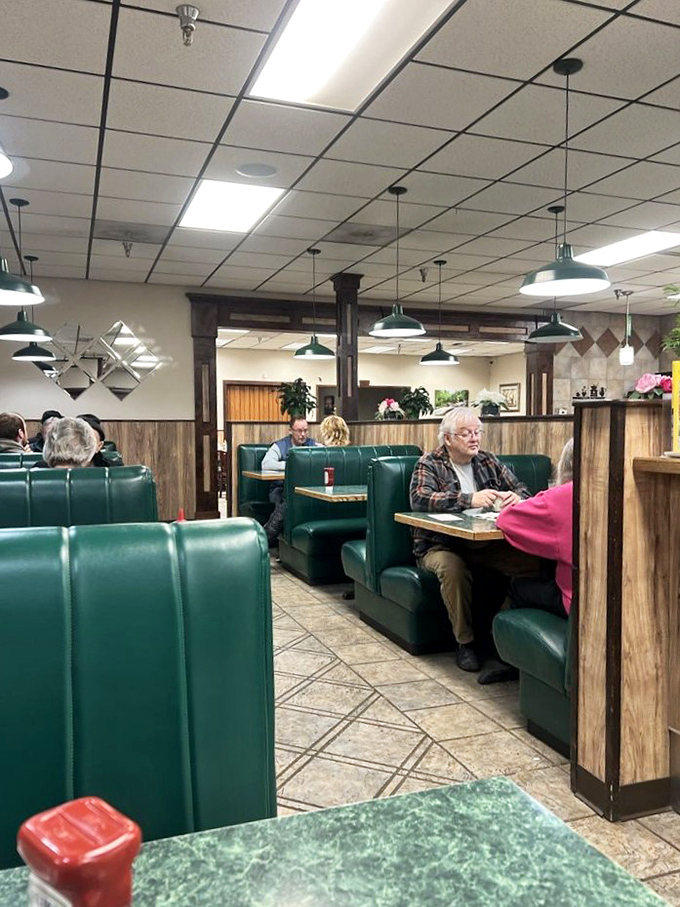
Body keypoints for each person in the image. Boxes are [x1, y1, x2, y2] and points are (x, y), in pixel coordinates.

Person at [409, 407, 539, 673]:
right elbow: (420, 498)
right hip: (439, 545)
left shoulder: (487, 460)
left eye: (477, 432)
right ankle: (465, 642)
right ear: (448, 438)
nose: (474, 438)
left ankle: (499, 635)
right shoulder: (429, 463)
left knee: (531, 563)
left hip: (485, 543)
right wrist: (469, 499)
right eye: (466, 433)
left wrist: (517, 497)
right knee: (453, 570)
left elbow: (522, 488)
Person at [496, 439, 574, 618]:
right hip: (622, 601)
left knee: (517, 586)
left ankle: (500, 635)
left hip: (574, 602)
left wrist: (511, 502)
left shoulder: (562, 495)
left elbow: (506, 519)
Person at [261, 416, 320, 545]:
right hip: (280, 489)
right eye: (299, 430)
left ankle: (264, 539)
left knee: (294, 502)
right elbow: (266, 464)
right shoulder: (280, 446)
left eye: (305, 430)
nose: (303, 434)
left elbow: (326, 456)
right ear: (290, 431)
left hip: (305, 491)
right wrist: (291, 464)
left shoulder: (313, 445)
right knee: (288, 503)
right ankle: (265, 539)